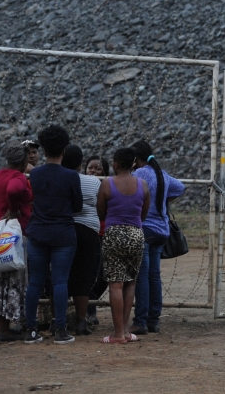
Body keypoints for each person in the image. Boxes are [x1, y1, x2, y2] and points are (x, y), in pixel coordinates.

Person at [23, 125, 82, 344]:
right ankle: (60, 329)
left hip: (38, 232)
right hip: (63, 234)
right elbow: (77, 206)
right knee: (60, 282)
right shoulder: (71, 176)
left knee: (35, 282)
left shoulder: (35, 174)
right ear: (64, 150)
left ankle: (30, 329)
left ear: (44, 150)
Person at [129, 140, 185, 335]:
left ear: (136, 159)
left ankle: (140, 320)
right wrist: (163, 200)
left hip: (144, 228)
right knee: (154, 276)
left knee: (142, 277)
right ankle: (154, 320)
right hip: (161, 230)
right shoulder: (161, 173)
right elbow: (180, 187)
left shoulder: (138, 174)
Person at [97, 147, 149, 344]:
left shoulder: (107, 184)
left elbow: (101, 212)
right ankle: (126, 331)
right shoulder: (142, 184)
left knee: (115, 284)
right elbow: (143, 214)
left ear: (116, 164)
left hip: (114, 234)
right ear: (134, 163)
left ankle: (117, 334)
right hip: (136, 234)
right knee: (131, 282)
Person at [0, 144, 33, 342]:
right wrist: (13, 209)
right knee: (13, 278)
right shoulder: (18, 177)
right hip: (13, 234)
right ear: (23, 162)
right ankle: (4, 329)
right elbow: (14, 190)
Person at [61, 145, 103, 336]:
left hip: (64, 228)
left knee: (61, 275)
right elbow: (101, 208)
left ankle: (58, 321)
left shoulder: (59, 178)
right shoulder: (94, 182)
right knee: (84, 276)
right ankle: (80, 321)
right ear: (80, 163)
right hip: (88, 231)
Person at [83, 155, 108, 328]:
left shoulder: (107, 186)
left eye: (97, 168)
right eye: (90, 167)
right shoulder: (83, 184)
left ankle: (90, 303)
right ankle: (89, 311)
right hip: (88, 232)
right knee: (88, 272)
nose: (92, 170)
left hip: (103, 233)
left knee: (103, 275)